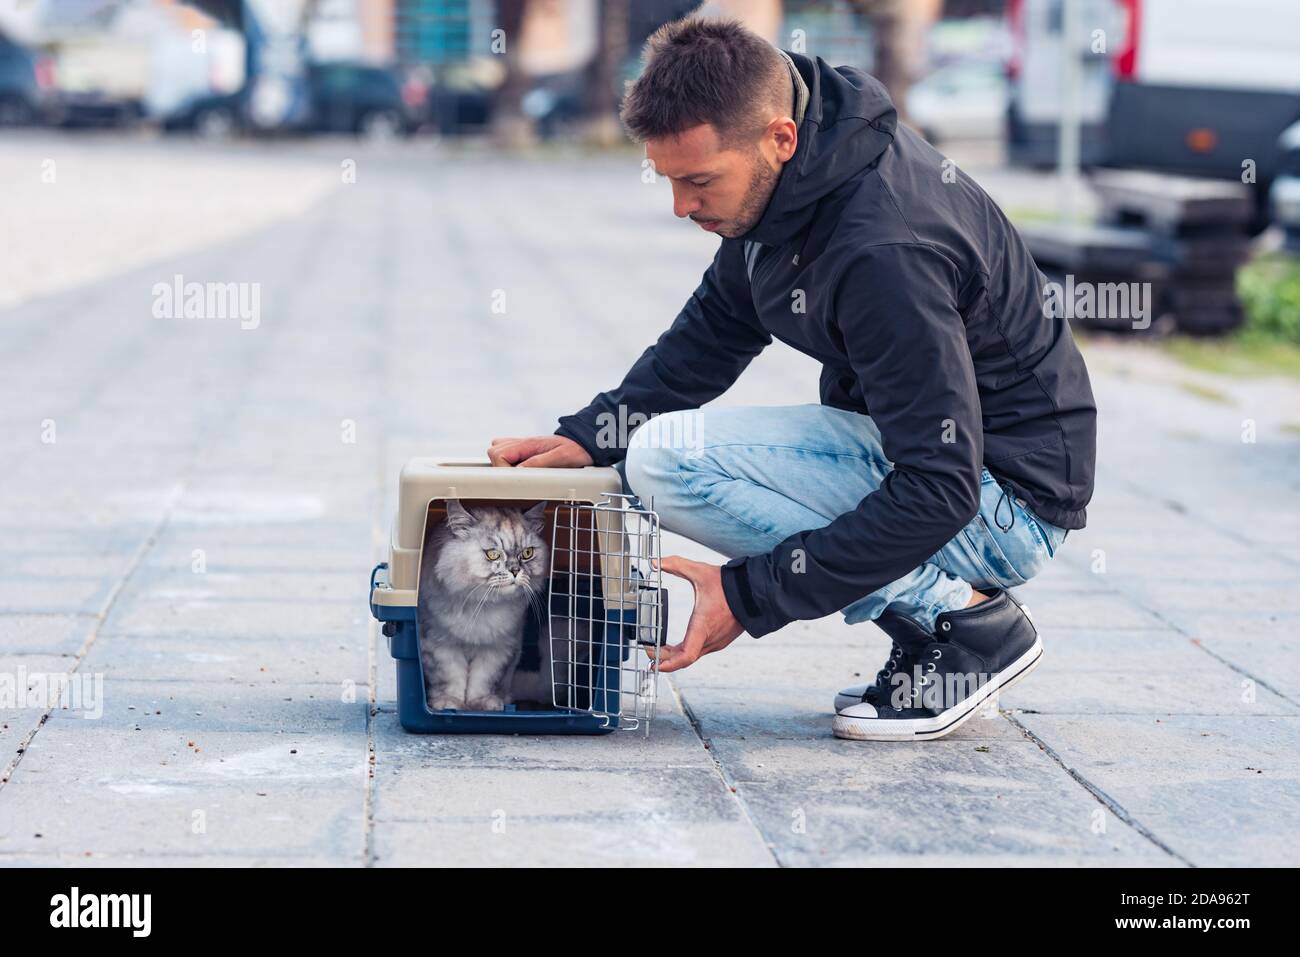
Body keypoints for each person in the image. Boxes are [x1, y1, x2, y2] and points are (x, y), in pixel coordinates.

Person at [486, 16, 1097, 742]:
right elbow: (716, 329)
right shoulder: (794, 183)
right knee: (643, 449)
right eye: (670, 180)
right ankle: (946, 622)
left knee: (669, 461)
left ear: (779, 138)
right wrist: (591, 435)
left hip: (1006, 502)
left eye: (698, 180)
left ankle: (965, 631)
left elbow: (941, 482)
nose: (681, 207)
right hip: (958, 470)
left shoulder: (884, 248)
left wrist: (748, 595)